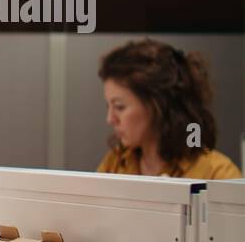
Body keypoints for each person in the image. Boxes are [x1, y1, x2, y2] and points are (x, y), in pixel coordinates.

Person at [98, 39, 241, 179]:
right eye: (108, 106)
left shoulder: (216, 173)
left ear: (157, 105)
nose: (110, 119)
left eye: (119, 107)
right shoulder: (114, 164)